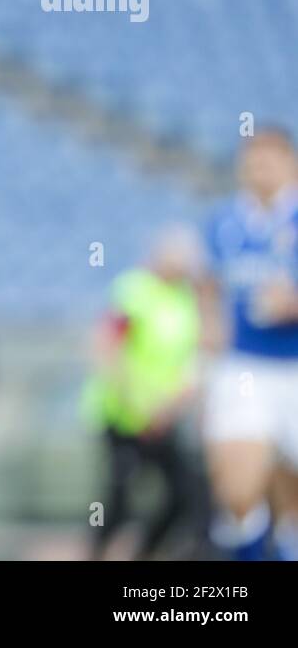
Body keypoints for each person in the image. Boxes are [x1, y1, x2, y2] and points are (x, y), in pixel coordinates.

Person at [200, 127, 298, 560]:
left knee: (290, 493)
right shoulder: (224, 221)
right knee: (237, 489)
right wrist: (209, 328)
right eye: (252, 160)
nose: (259, 169)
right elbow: (207, 282)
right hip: (246, 366)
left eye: (269, 159)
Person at [82, 227, 205, 560]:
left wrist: (172, 406)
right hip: (124, 415)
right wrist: (137, 402)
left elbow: (191, 360)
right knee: (119, 496)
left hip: (163, 417)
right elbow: (108, 345)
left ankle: (143, 552)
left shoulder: (185, 298)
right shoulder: (134, 290)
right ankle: (97, 553)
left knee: (183, 494)